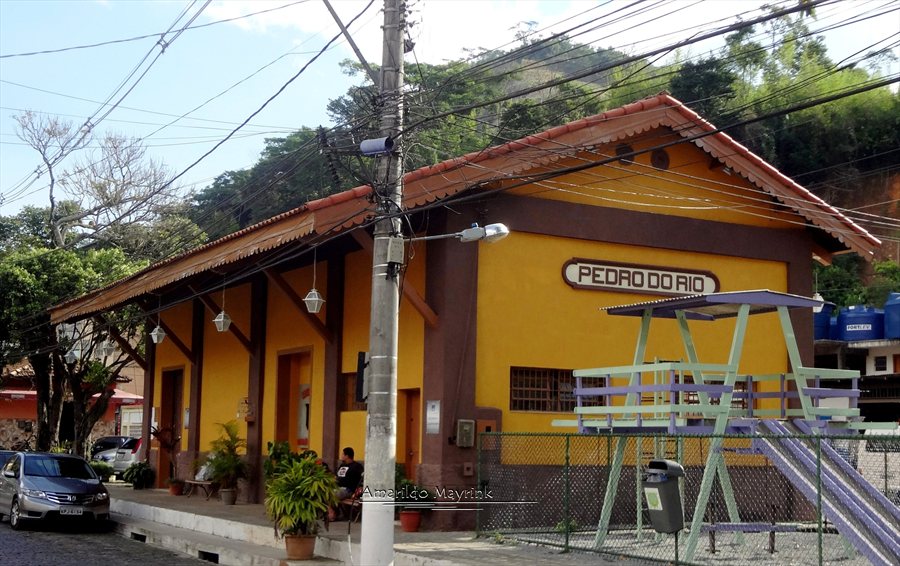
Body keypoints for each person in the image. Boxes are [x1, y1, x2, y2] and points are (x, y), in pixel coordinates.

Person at [329, 447, 363, 521]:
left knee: (330, 495)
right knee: (325, 493)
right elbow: (336, 476)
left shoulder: (357, 466)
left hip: (348, 490)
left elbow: (362, 478)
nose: (341, 456)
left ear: (347, 456)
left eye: (342, 454)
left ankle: (331, 515)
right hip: (337, 488)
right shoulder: (342, 465)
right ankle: (333, 513)